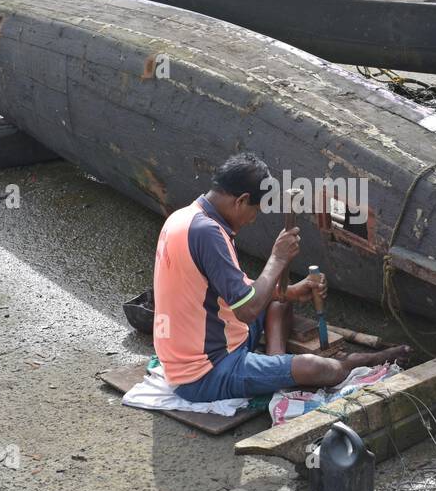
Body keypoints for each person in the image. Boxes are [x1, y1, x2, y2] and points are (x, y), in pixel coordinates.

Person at [153, 152, 408, 403]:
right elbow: (247, 310)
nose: (253, 220)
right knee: (322, 369)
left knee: (281, 301)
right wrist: (278, 258)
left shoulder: (187, 216)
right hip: (203, 373)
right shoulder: (207, 233)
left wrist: (291, 291)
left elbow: (237, 291)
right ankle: (361, 361)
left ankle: (276, 362)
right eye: (255, 210)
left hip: (208, 341)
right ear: (241, 200)